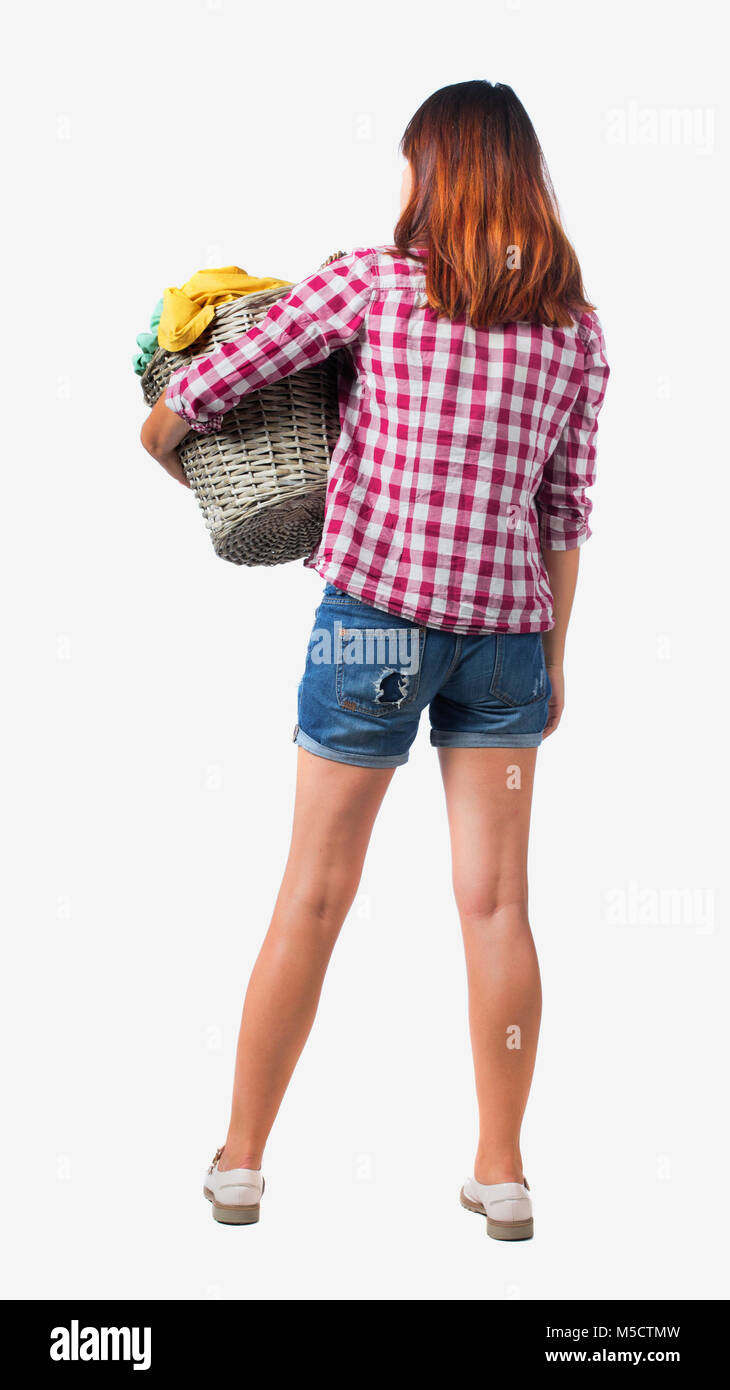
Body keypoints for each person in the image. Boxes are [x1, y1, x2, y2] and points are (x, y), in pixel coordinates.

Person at [141, 79, 610, 1240]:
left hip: (370, 630)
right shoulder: (574, 329)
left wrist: (160, 444)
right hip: (505, 641)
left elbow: (196, 394)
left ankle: (241, 1162)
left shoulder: (372, 283)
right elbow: (565, 513)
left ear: (433, 173)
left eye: (410, 162)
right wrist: (554, 660)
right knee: (497, 905)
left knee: (311, 893)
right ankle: (502, 1171)